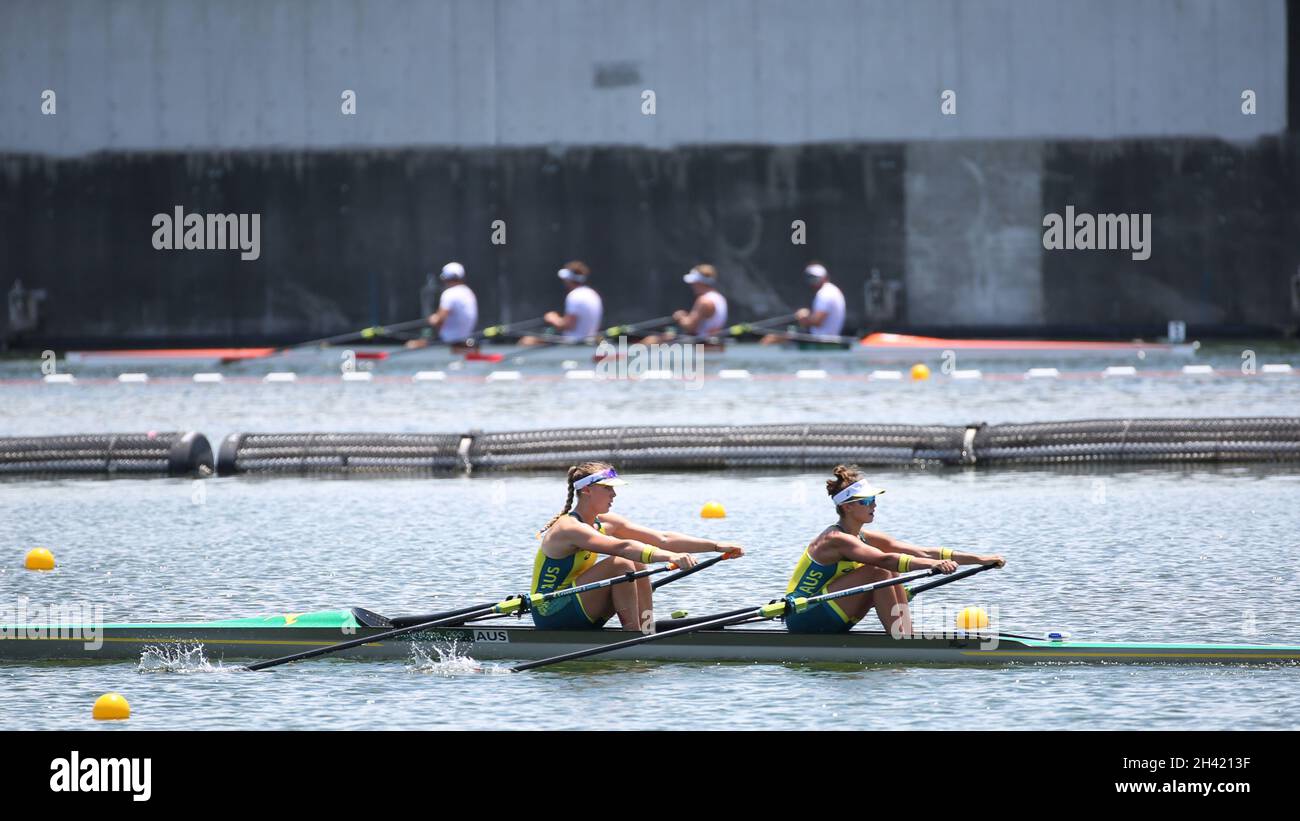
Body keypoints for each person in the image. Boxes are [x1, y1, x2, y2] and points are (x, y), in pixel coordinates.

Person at [784, 465, 1005, 635]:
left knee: (890, 574)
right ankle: (904, 638)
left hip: (828, 612)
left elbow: (923, 552)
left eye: (874, 499)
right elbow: (886, 559)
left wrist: (979, 559)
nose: (874, 505)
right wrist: (933, 566)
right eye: (867, 500)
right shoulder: (836, 539)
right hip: (803, 616)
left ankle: (906, 634)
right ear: (847, 506)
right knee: (879, 571)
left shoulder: (863, 536)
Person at [531, 462, 743, 632]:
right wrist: (671, 557)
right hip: (550, 612)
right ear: (587, 490)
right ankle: (633, 634)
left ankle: (646, 628)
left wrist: (715, 546)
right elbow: (623, 547)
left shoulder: (606, 522)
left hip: (578, 605)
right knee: (621, 563)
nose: (614, 495)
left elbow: (663, 538)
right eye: (607, 489)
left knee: (636, 565)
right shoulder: (569, 527)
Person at [520, 260, 604, 345]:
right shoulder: (593, 294)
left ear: (569, 279)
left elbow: (568, 325)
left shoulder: (574, 296)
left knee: (527, 341)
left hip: (573, 343)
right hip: (588, 341)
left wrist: (552, 318)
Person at [761, 262, 845, 345]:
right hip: (825, 337)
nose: (812, 281)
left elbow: (817, 322)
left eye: (815, 278)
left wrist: (803, 318)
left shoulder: (824, 294)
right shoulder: (832, 290)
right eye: (810, 277)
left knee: (771, 338)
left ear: (824, 277)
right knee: (788, 331)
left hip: (820, 339)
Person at [642, 264, 728, 344]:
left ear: (700, 282)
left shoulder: (704, 301)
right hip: (711, 340)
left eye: (694, 283)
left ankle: (632, 355)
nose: (692, 285)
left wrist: (681, 317)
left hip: (699, 342)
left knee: (651, 339)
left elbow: (690, 326)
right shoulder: (720, 298)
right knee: (668, 335)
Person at [406, 261, 478, 348]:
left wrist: (434, 319)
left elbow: (439, 320)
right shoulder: (468, 292)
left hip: (448, 340)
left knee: (410, 344)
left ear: (445, 279)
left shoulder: (449, 294)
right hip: (465, 339)